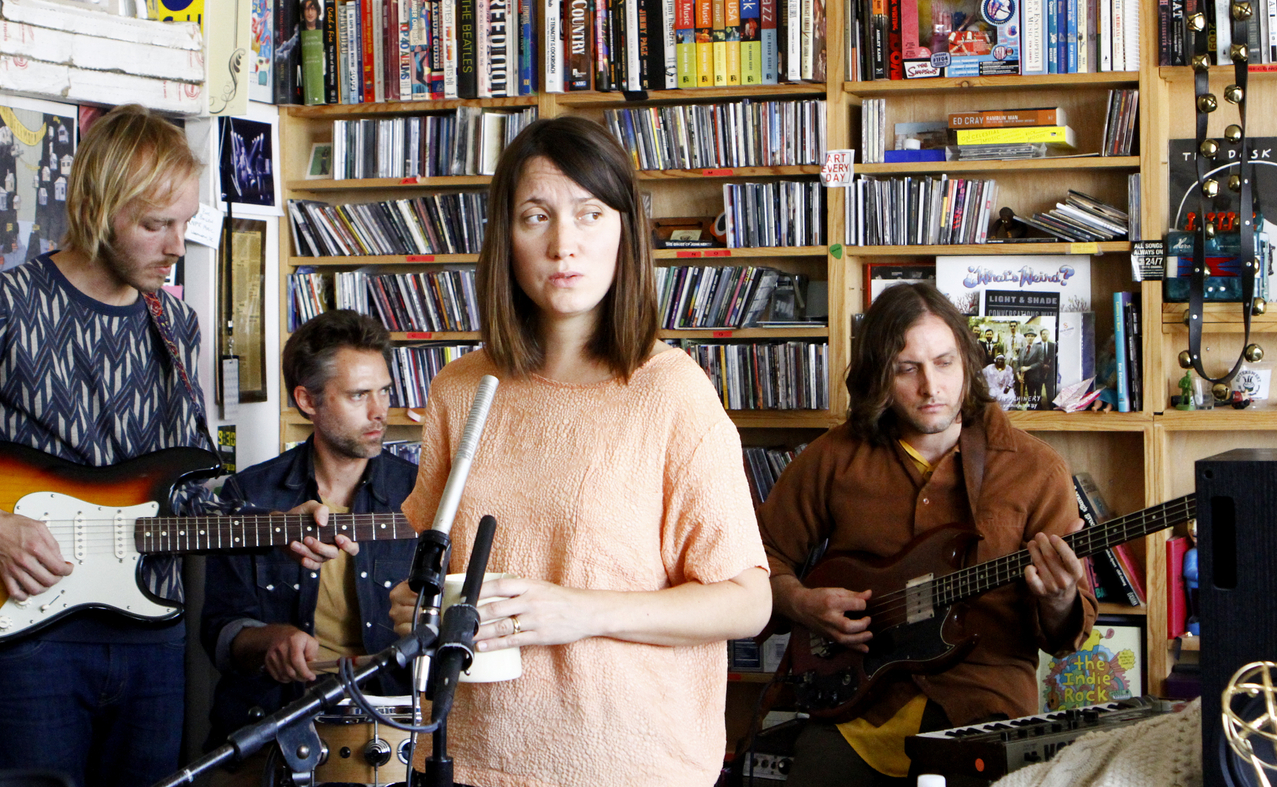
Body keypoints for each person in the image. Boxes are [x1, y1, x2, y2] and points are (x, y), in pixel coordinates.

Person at [0, 104, 340, 787]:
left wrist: (273, 528)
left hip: (155, 639)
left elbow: (192, 496)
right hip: (30, 636)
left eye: (183, 222)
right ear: (96, 209)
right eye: (155, 225)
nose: (177, 244)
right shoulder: (6, 306)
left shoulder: (175, 325)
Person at [387, 115, 771, 787]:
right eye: (536, 216)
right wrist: (412, 606)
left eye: (590, 214)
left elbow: (747, 600)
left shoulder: (671, 392)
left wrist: (577, 610)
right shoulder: (461, 388)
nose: (565, 243)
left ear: (625, 231)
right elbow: (437, 563)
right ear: (506, 238)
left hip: (630, 762)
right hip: (471, 757)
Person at [759, 282, 1096, 787]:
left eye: (944, 363)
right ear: (878, 374)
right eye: (906, 368)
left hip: (984, 710)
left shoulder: (1035, 469)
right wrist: (799, 602)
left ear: (966, 363)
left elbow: (1068, 633)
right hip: (857, 711)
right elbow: (757, 557)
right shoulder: (834, 457)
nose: (931, 387)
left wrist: (1060, 597)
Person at [200, 309, 417, 761]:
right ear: (307, 401)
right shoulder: (250, 494)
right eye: (359, 395)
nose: (381, 411)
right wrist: (270, 640)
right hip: (276, 720)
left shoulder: (420, 493)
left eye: (384, 391)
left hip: (393, 724)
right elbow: (221, 631)